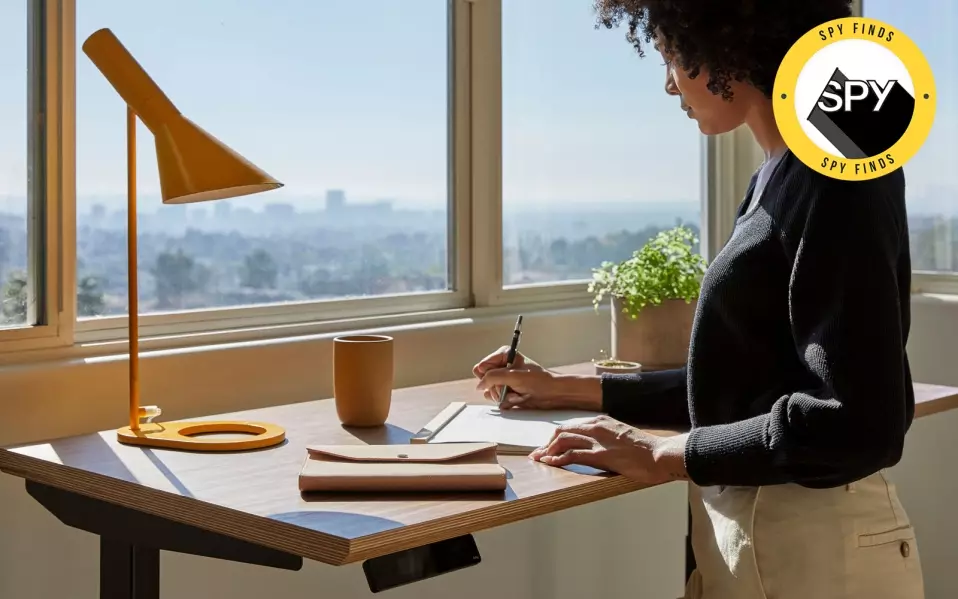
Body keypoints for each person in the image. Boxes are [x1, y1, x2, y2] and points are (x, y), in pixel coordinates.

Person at [472, 1, 924, 598]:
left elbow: (861, 425)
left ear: (727, 46)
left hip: (819, 551)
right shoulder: (777, 176)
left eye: (671, 57)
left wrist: (666, 455)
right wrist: (566, 388)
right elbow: (738, 384)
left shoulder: (837, 174)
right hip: (766, 539)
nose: (668, 85)